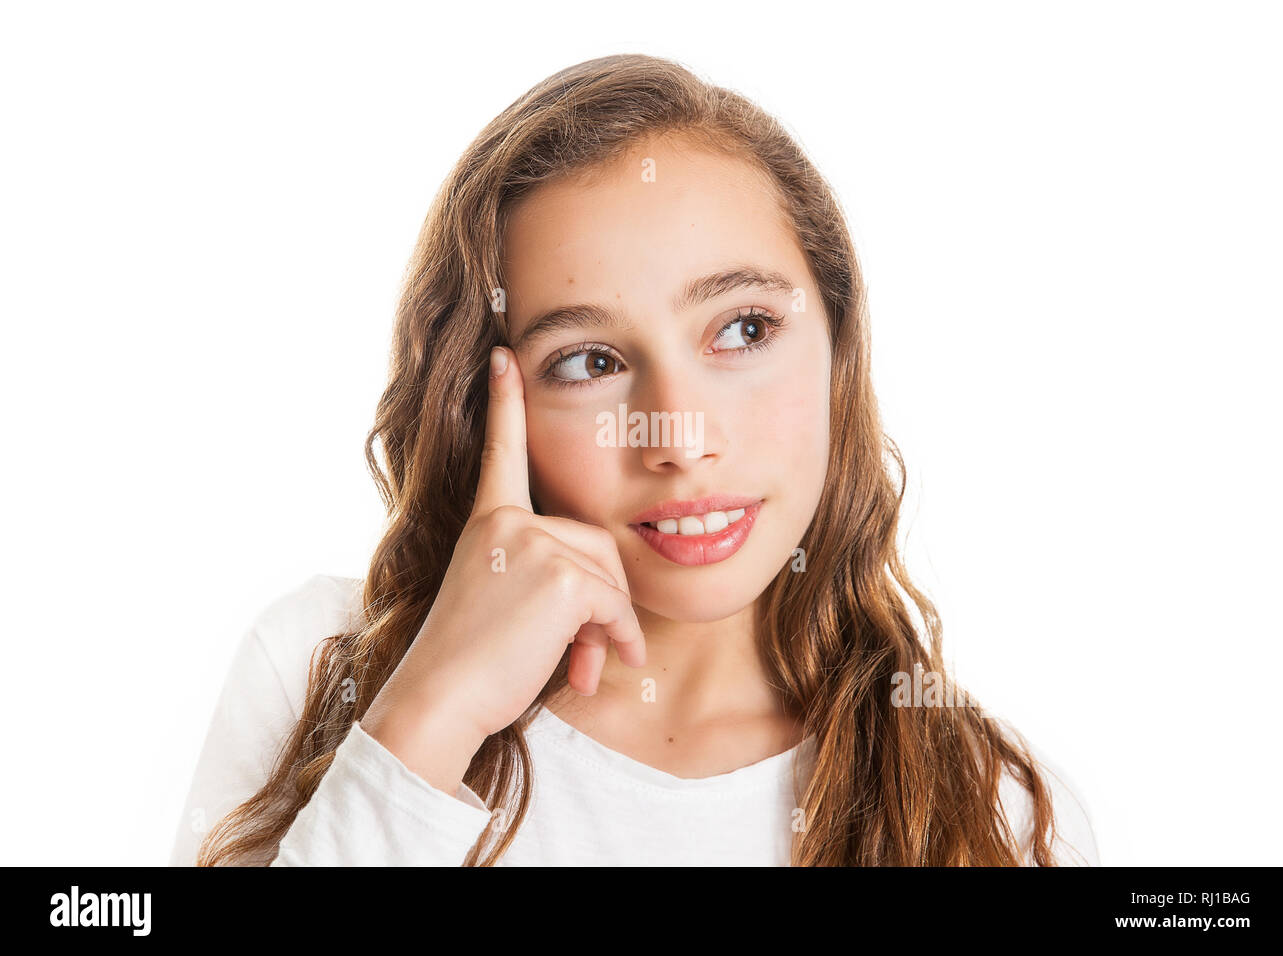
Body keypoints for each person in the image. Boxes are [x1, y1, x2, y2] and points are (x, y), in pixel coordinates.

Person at [171, 53, 1099, 866]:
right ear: (486, 403)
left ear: (838, 348)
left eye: (744, 329)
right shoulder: (317, 669)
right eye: (589, 363)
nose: (680, 437)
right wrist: (426, 719)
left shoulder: (1000, 812)